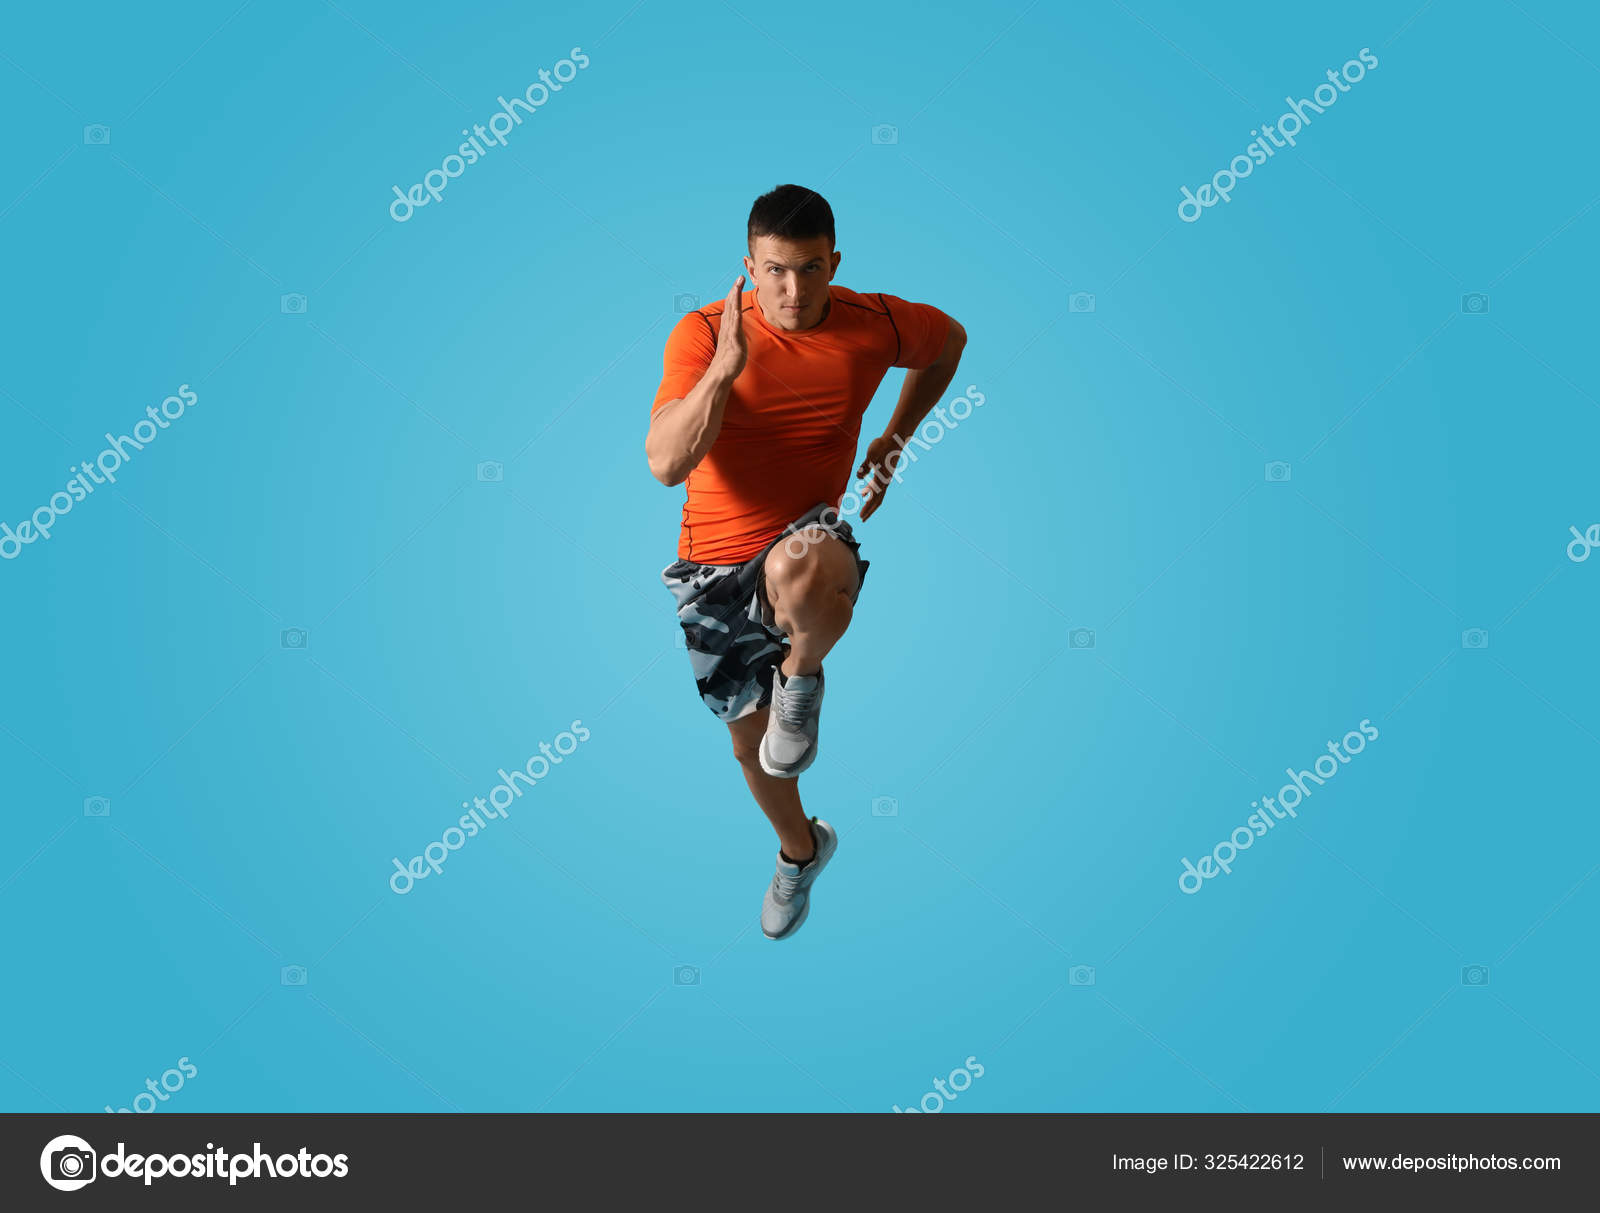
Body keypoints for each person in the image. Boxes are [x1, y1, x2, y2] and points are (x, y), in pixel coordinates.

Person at [646, 184, 967, 939]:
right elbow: (665, 463)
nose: (793, 290)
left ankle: (802, 677)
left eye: (811, 268)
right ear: (750, 266)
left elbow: (948, 340)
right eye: (775, 270)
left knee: (808, 560)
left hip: (804, 536)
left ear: (835, 263)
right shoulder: (702, 333)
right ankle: (800, 851)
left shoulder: (875, 322)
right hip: (711, 567)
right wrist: (724, 370)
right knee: (753, 750)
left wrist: (896, 435)